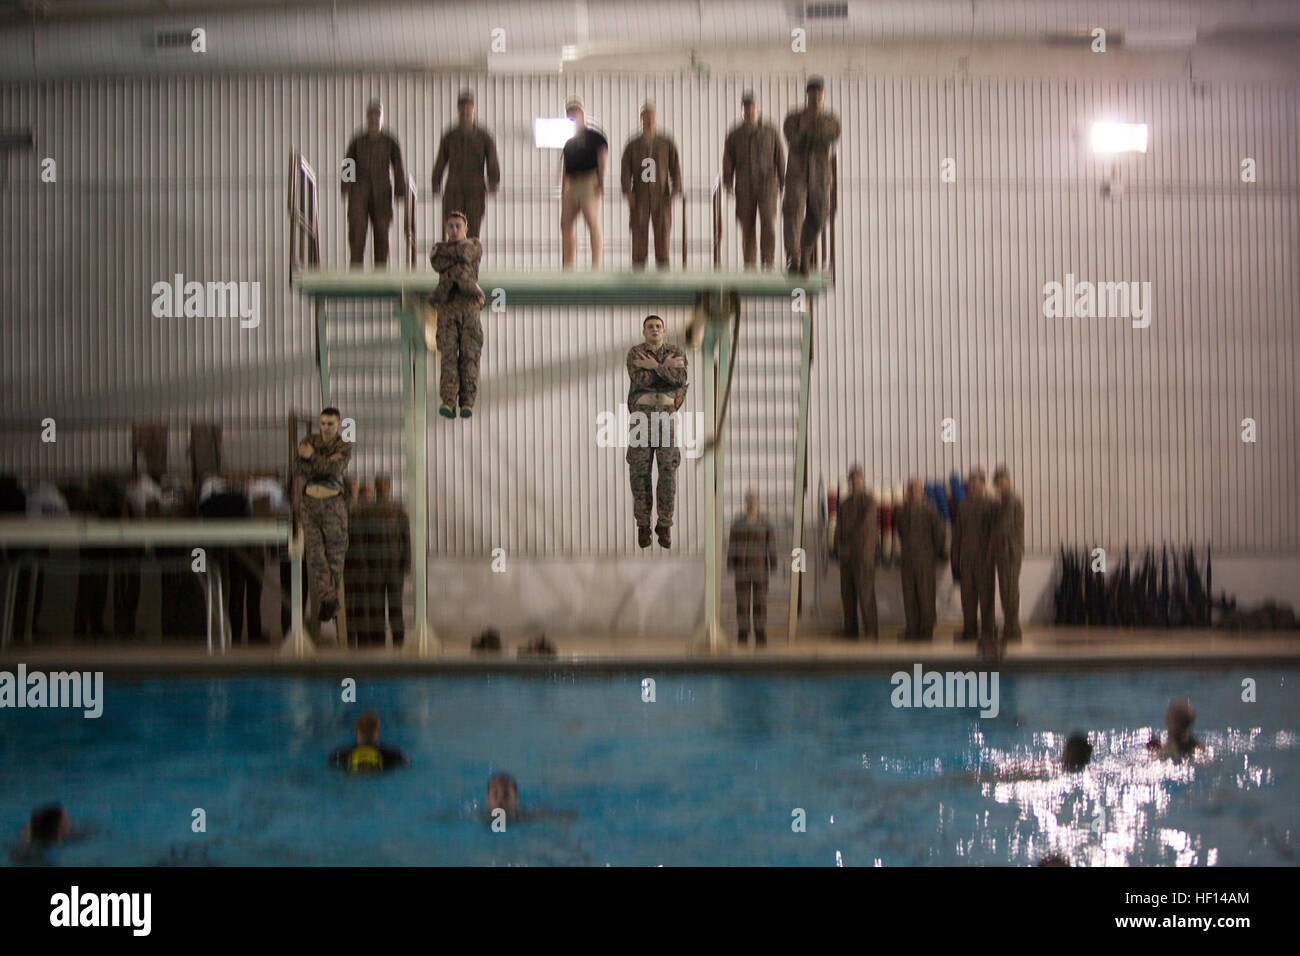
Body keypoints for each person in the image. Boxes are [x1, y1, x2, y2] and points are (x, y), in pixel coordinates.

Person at [625, 315, 688, 549]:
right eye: (650, 327)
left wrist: (654, 367)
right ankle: (643, 524)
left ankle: (664, 524)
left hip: (666, 417)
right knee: (640, 472)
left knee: (668, 472)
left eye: (658, 327)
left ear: (664, 331)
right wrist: (665, 370)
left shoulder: (675, 351)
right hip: (641, 416)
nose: (654, 329)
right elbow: (641, 380)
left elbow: (680, 380)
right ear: (644, 331)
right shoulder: (635, 353)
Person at [295, 408, 352, 623]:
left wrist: (313, 458)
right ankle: (329, 599)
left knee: (335, 556)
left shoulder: (343, 445)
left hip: (332, 504)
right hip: (309, 504)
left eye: (330, 424)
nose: (326, 428)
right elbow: (299, 468)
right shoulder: (308, 440)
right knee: (315, 554)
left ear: (338, 425)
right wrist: (323, 462)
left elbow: (334, 471)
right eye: (323, 423)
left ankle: (329, 599)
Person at [428, 211, 486, 419]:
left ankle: (467, 401)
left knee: (469, 355)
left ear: (466, 228)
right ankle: (449, 400)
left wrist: (451, 258)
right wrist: (460, 266)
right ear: (446, 229)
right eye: (450, 226)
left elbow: (466, 255)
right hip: (448, 308)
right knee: (449, 356)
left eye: (458, 226)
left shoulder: (474, 245)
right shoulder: (440, 249)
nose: (454, 230)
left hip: (468, 307)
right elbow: (437, 262)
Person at [782, 76, 840, 274]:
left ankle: (805, 251)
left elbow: (830, 138)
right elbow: (793, 139)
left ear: (824, 95)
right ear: (806, 94)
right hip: (797, 171)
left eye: (819, 93)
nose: (816, 97)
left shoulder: (831, 120)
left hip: (821, 172)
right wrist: (810, 135)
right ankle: (794, 258)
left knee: (820, 214)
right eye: (812, 93)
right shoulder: (793, 118)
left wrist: (808, 135)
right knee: (793, 213)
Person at [722, 91, 785, 270]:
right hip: (744, 185)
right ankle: (749, 264)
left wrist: (783, 181)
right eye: (746, 107)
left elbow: (780, 156)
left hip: (768, 184)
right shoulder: (735, 134)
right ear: (742, 110)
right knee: (747, 227)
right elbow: (728, 160)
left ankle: (768, 262)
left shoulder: (770, 131)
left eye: (752, 107)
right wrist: (727, 183)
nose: (749, 111)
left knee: (768, 224)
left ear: (757, 108)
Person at [198, 477, 264, 645]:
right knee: (251, 594)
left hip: (234, 549)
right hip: (249, 547)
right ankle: (253, 635)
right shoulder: (246, 498)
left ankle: (234, 635)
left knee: (236, 592)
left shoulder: (210, 500)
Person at [342, 99, 408, 267]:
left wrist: (400, 189)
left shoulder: (390, 141)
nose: (373, 118)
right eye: (370, 114)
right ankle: (355, 270)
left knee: (382, 233)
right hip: (359, 191)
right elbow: (348, 162)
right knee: (357, 231)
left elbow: (398, 165)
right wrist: (346, 186)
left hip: (382, 192)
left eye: (377, 114)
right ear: (366, 117)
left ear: (381, 117)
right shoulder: (357, 140)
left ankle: (381, 272)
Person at [430, 89, 500, 240]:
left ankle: (471, 263)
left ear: (473, 109)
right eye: (462, 107)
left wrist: (493, 181)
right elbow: (441, 160)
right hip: (454, 188)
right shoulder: (450, 136)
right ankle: (453, 263)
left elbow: (493, 160)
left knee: (473, 231)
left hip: (475, 189)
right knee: (453, 229)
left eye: (468, 107)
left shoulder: (484, 136)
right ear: (458, 109)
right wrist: (435, 181)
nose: (465, 110)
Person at [620, 100, 682, 269]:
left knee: (662, 237)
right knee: (639, 238)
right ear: (641, 119)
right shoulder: (632, 145)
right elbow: (625, 171)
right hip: (639, 197)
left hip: (662, 197)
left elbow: (675, 168)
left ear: (656, 118)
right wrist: (628, 193)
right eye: (645, 116)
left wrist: (676, 191)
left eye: (651, 116)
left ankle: (663, 280)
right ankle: (639, 280)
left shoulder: (666, 142)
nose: (649, 120)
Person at [560, 98, 608, 269]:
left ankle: (595, 265)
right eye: (569, 116)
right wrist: (563, 188)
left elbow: (602, 156)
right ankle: (568, 265)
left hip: (589, 181)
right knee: (565, 223)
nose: (572, 118)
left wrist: (601, 180)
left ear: (582, 116)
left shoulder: (596, 137)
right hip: (572, 183)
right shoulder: (569, 143)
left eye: (574, 115)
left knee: (591, 221)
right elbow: (565, 167)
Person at [727, 488, 777, 646]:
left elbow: (771, 545)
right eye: (749, 501)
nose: (751, 503)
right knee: (742, 603)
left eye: (754, 501)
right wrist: (730, 563)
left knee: (760, 603)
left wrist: (773, 562)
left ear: (758, 503)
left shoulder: (766, 523)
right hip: (742, 568)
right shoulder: (737, 523)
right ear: (745, 503)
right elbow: (732, 544)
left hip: (760, 569)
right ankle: (743, 634)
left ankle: (760, 634)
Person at [897, 477, 946, 640]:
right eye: (911, 489)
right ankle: (912, 629)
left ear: (923, 492)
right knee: (909, 595)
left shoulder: (930, 511)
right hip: (907, 559)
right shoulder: (902, 512)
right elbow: (901, 533)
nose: (913, 493)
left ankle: (926, 630)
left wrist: (938, 553)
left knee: (926, 595)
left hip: (925, 559)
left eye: (916, 490)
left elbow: (939, 533)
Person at [834, 465, 878, 639]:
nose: (855, 483)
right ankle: (850, 630)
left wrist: (848, 545)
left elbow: (864, 528)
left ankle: (871, 631)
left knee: (865, 595)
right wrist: (838, 546)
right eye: (852, 479)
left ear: (863, 480)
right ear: (849, 481)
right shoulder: (844, 504)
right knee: (848, 595)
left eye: (858, 479)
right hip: (846, 557)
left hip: (863, 556)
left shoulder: (869, 502)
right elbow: (838, 528)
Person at [952, 467, 995, 645]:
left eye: (977, 484)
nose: (974, 488)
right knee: (967, 598)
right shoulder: (963, 506)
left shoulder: (991, 505)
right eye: (971, 485)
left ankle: (988, 632)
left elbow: (996, 533)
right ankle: (969, 631)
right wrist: (955, 558)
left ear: (984, 485)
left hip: (985, 560)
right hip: (967, 559)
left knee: (986, 598)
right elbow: (958, 534)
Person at [370, 474, 410, 648]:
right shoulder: (393, 510)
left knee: (394, 603)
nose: (382, 489)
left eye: (384, 486)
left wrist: (407, 561)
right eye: (380, 486)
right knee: (379, 604)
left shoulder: (397, 510)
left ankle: (397, 639)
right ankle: (383, 639)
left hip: (391, 564)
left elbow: (406, 538)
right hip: (382, 564)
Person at [990, 465, 1025, 643]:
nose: (1000, 486)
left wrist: (990, 542)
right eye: (998, 483)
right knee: (1006, 591)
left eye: (1002, 482)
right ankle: (1010, 627)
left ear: (1008, 482)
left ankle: (1013, 630)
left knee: (1010, 591)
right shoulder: (1002, 501)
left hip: (1010, 552)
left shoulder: (1010, 501)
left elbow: (1003, 528)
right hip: (1004, 552)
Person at [329, 711, 409, 773]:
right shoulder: (394, 756)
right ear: (378, 732)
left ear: (356, 731)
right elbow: (405, 765)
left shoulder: (340, 756)